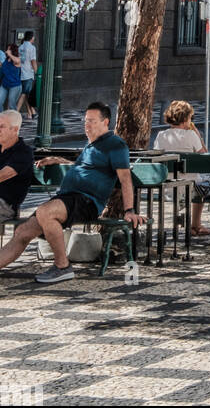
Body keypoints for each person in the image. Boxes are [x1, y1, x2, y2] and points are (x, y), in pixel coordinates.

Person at [0, 102, 144, 284]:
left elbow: (125, 179)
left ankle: (62, 266)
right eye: (85, 121)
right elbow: (85, 168)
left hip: (87, 201)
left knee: (46, 212)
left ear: (105, 122)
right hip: (68, 199)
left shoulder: (116, 145)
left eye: (92, 121)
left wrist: (129, 210)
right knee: (22, 232)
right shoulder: (91, 145)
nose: (86, 125)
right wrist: (59, 160)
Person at [152, 101, 210, 238]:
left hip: (167, 187)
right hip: (189, 188)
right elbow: (205, 157)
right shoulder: (191, 135)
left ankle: (196, 225)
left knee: (198, 182)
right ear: (185, 119)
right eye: (191, 118)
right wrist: (198, 134)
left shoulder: (161, 135)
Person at [0, 111, 34, 232]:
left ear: (15, 129)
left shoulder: (23, 152)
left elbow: (2, 175)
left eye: (1, 127)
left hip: (6, 205)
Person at [17, 32, 37, 119]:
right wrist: (36, 71)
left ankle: (31, 113)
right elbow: (33, 61)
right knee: (24, 93)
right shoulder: (32, 48)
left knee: (27, 93)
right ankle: (15, 112)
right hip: (28, 74)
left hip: (21, 72)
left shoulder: (20, 47)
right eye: (34, 37)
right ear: (31, 38)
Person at [0, 46, 22, 114]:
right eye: (7, 49)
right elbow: (2, 69)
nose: (7, 50)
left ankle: (14, 121)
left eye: (9, 49)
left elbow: (17, 61)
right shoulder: (6, 60)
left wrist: (9, 54)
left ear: (13, 50)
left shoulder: (16, 60)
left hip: (14, 86)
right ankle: (1, 118)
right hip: (4, 85)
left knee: (11, 104)